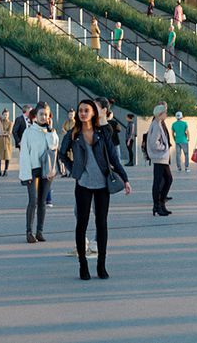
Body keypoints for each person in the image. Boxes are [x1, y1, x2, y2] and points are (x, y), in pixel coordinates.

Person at [57, 98, 131, 280]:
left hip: (102, 184)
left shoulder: (102, 132)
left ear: (93, 113)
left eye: (86, 110)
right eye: (81, 110)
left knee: (101, 224)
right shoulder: (73, 134)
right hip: (83, 184)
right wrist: (75, 170)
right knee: (82, 224)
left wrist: (125, 179)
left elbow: (113, 157)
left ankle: (101, 265)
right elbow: (62, 154)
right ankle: (83, 265)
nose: (83, 113)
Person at [18, 102, 53, 243]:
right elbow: (24, 155)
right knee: (33, 201)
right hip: (32, 169)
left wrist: (50, 131)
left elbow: (53, 146)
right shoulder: (28, 132)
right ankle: (29, 232)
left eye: (46, 114)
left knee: (42, 202)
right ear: (35, 116)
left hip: (46, 170)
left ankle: (40, 232)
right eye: (41, 114)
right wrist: (26, 175)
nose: (44, 117)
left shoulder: (50, 132)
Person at [145, 103, 173, 216]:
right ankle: (157, 205)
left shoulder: (158, 123)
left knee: (166, 180)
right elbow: (154, 144)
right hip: (159, 158)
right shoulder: (156, 125)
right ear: (160, 114)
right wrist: (165, 147)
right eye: (165, 113)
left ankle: (160, 204)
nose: (166, 114)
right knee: (161, 181)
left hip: (161, 158)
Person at [0, 108, 13, 177]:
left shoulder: (10, 123)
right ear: (2, 115)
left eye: (7, 115)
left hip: (7, 141)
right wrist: (3, 132)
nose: (5, 116)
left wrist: (2, 132)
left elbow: (9, 132)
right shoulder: (0, 122)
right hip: (0, 140)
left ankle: (6, 170)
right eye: (4, 115)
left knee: (7, 156)